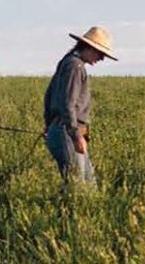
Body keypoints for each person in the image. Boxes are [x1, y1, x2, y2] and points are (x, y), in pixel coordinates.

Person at [43, 25, 115, 189]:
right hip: (67, 132)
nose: (101, 58)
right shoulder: (75, 66)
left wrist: (48, 125)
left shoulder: (68, 62)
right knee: (78, 187)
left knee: (87, 186)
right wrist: (76, 136)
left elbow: (49, 95)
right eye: (100, 53)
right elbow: (68, 103)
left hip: (62, 129)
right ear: (88, 47)